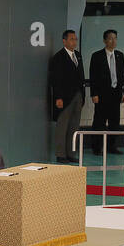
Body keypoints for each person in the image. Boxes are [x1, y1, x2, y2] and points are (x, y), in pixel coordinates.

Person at [49, 30, 86, 162]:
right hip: (65, 97)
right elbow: (56, 80)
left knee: (74, 126)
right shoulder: (58, 57)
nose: (74, 42)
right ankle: (61, 154)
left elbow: (81, 76)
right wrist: (58, 97)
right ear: (64, 41)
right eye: (71, 39)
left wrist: (83, 95)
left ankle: (71, 153)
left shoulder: (78, 55)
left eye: (75, 39)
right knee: (62, 126)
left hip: (78, 95)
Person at [89, 29, 124, 155]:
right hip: (102, 94)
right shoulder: (97, 56)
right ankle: (96, 147)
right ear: (105, 40)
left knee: (114, 122)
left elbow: (122, 75)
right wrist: (94, 94)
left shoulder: (119, 55)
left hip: (116, 93)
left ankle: (111, 146)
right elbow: (93, 76)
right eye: (110, 38)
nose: (113, 41)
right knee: (99, 121)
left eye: (115, 38)